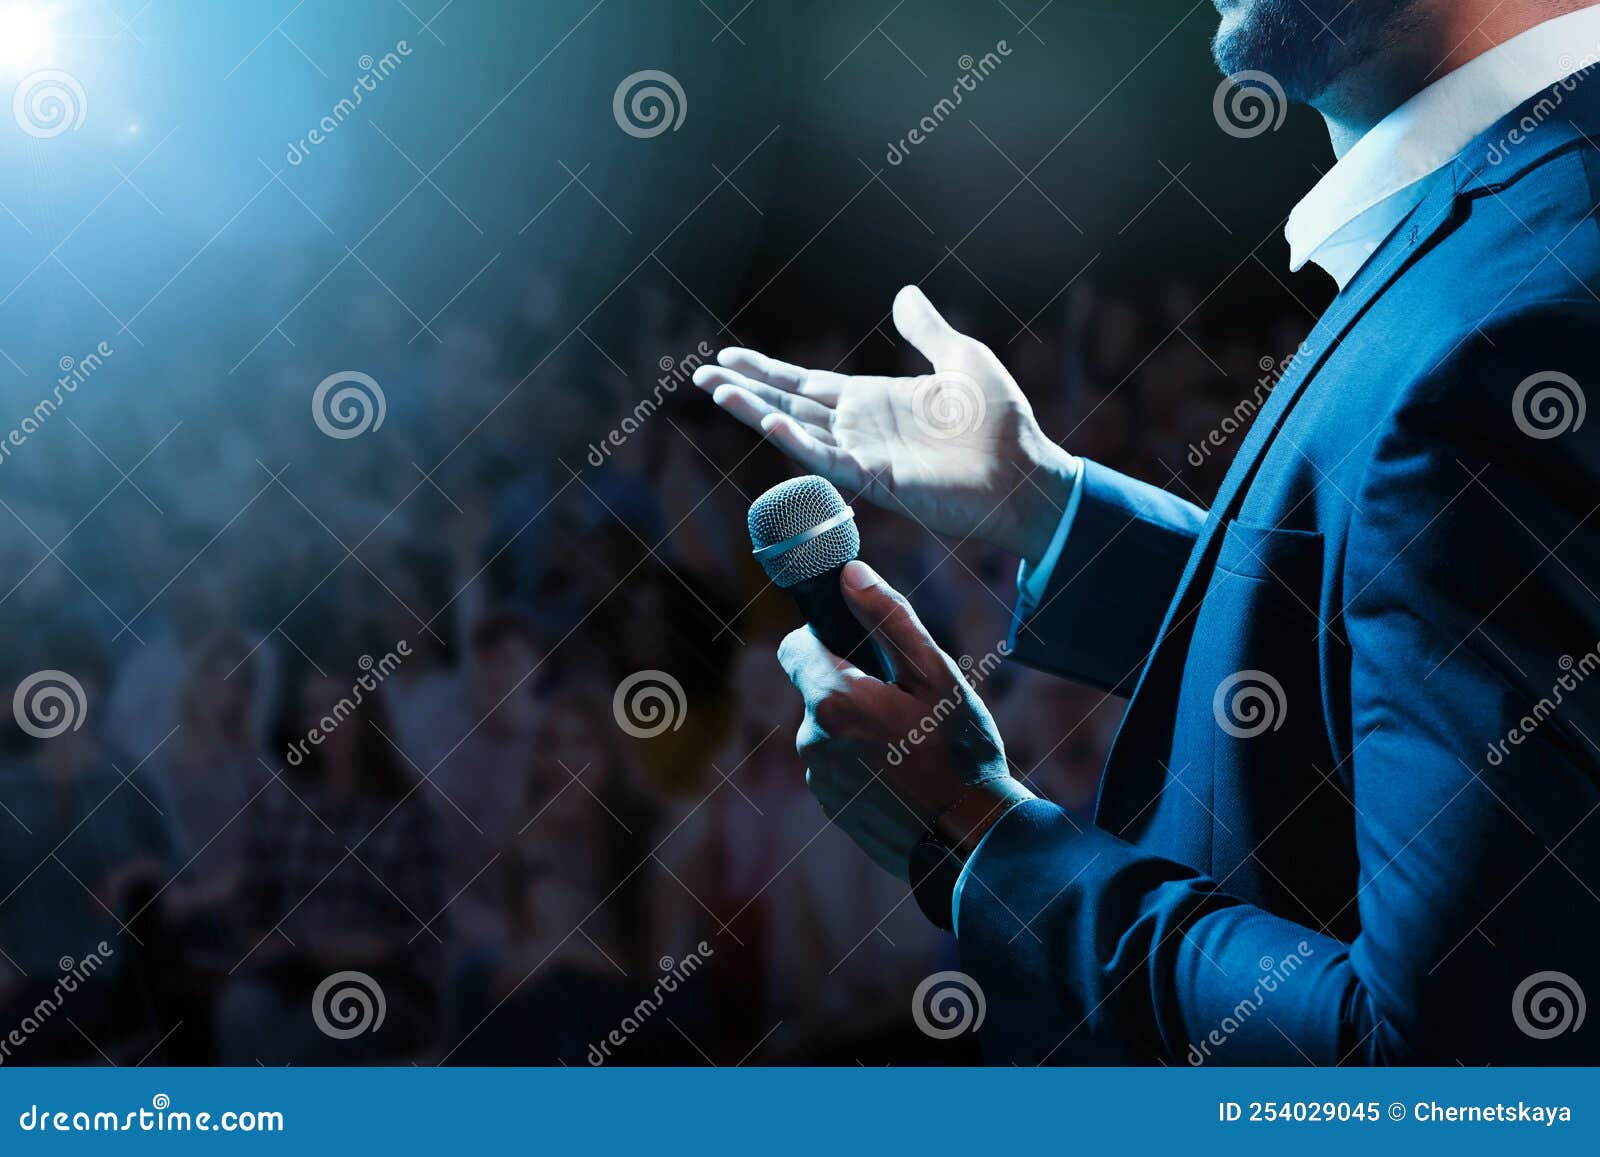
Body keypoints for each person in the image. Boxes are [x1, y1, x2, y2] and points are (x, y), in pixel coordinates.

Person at [692, 0, 1600, 1063]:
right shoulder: (1518, 226)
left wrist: (985, 837)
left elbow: (1453, 1078)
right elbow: (1391, 628)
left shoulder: (1533, 298)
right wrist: (1053, 506)